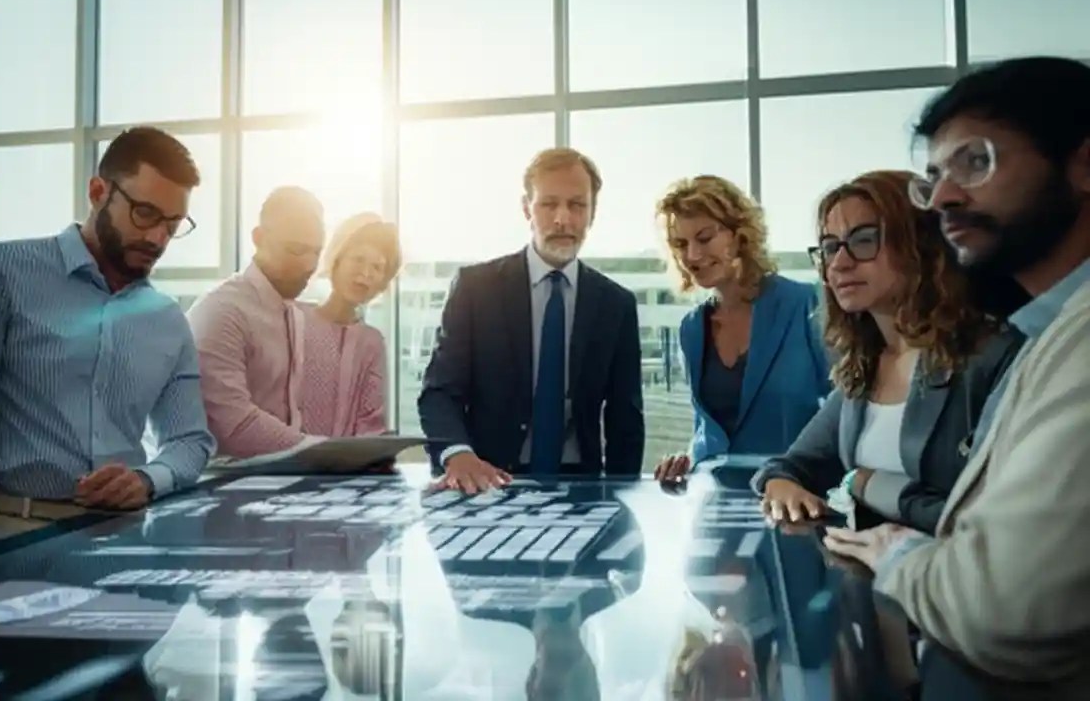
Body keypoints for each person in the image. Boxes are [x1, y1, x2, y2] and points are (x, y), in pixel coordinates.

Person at [823, 57, 1090, 693]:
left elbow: (1002, 610)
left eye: (976, 162)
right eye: (936, 175)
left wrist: (900, 555)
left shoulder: (1040, 344)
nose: (942, 195)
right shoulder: (1045, 332)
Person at [0, 127, 216, 546]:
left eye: (172, 223)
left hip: (126, 540)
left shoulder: (167, 319)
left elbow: (189, 440)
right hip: (11, 534)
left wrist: (147, 480)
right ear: (97, 192)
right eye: (145, 213)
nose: (157, 238)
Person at [751, 170, 1022, 534]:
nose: (839, 263)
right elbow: (791, 464)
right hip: (870, 582)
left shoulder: (992, 356)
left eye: (864, 241)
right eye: (830, 247)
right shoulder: (862, 368)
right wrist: (778, 485)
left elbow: (990, 520)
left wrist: (866, 484)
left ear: (921, 248)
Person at [418, 147, 644, 493]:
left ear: (592, 213)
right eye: (549, 204)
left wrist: (624, 498)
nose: (562, 219)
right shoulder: (476, 288)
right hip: (486, 480)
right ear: (527, 209)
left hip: (581, 487)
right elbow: (440, 390)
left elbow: (625, 419)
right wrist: (457, 454)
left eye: (577, 205)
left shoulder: (616, 304)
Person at [653, 176, 832, 481]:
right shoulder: (692, 329)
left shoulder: (806, 305)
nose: (692, 256)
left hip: (795, 494)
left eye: (705, 237)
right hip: (716, 501)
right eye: (680, 244)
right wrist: (686, 462)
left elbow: (846, 408)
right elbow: (708, 429)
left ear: (739, 236)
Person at [186, 186, 327, 458]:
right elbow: (233, 426)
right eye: (296, 250)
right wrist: (326, 453)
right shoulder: (222, 311)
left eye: (316, 252)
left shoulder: (294, 313)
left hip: (280, 480)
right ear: (259, 238)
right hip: (223, 484)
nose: (309, 264)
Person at [299, 212, 401, 438]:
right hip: (280, 464)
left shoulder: (372, 342)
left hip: (347, 468)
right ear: (336, 259)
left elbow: (372, 421)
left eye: (377, 267)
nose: (365, 273)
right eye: (358, 260)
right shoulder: (294, 319)